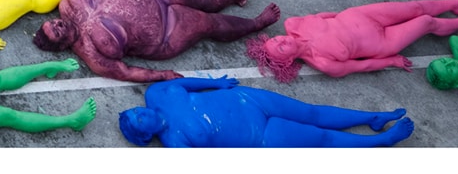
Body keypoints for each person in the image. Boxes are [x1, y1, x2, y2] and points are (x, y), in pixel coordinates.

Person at [32, 0, 278, 82]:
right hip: (165, 32)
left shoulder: (67, 5)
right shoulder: (92, 56)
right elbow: (125, 71)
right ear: (62, 45)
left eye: (52, 23)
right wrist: (162, 75)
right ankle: (256, 24)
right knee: (207, 23)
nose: (57, 25)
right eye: (56, 32)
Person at [247, 0, 458, 80]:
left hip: (363, 15)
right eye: (280, 48)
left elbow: (322, 15)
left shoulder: (293, 24)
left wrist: (341, 16)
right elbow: (361, 65)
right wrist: (391, 61)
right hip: (381, 43)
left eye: (276, 39)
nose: (282, 41)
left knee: (415, 7)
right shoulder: (324, 63)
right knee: (425, 22)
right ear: (288, 61)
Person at [118, 76, 412, 147]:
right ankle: (381, 141)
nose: (140, 113)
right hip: (261, 135)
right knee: (322, 137)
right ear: (146, 136)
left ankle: (372, 118)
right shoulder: (176, 143)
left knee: (313, 112)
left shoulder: (156, 93)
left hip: (247, 99)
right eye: (138, 120)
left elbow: (183, 83)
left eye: (135, 111)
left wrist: (215, 83)